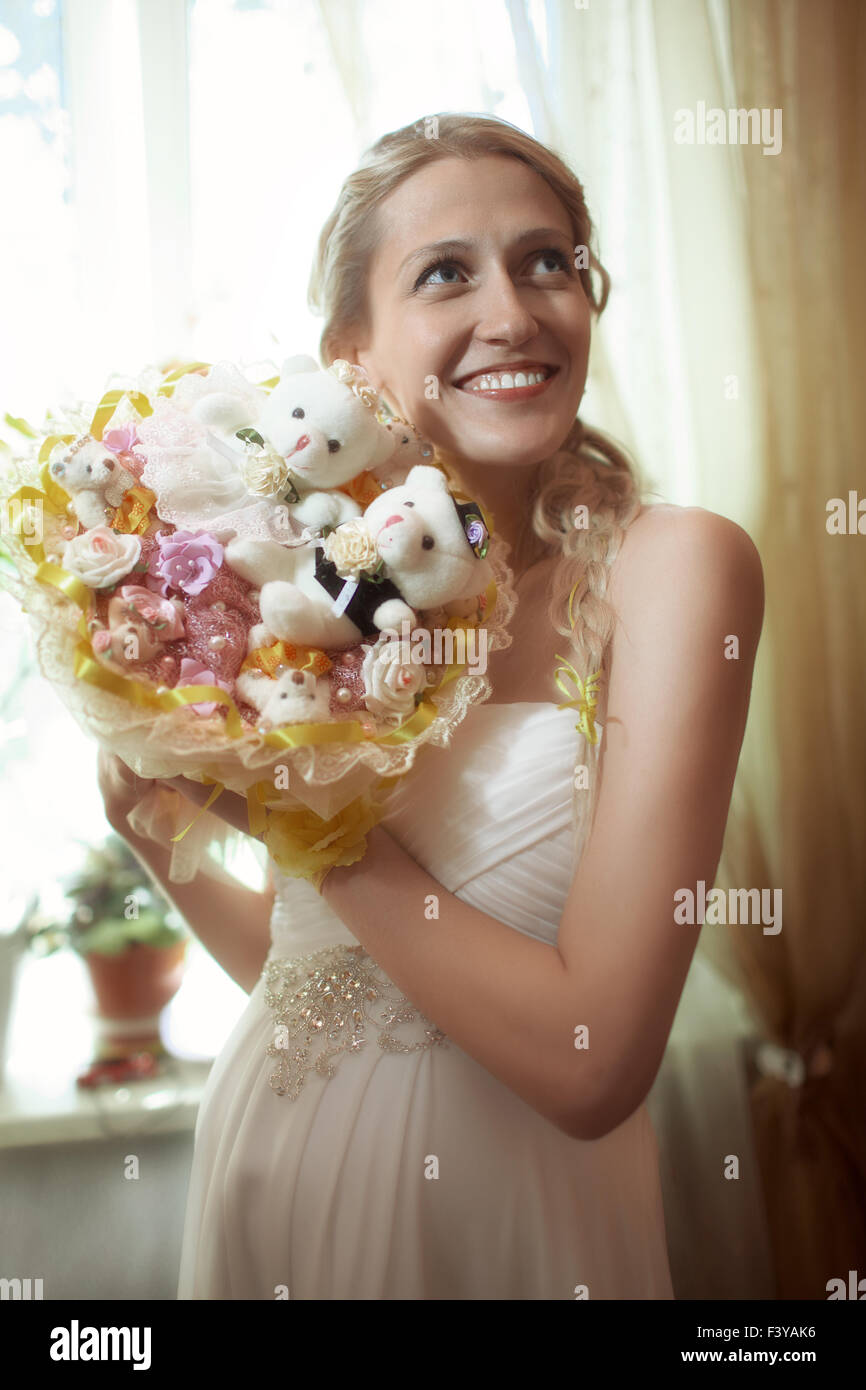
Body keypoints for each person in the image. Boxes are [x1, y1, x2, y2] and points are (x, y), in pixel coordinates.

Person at [99, 113, 763, 1300]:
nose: (511, 311)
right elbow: (319, 977)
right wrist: (156, 824)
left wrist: (302, 830)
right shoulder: (316, 596)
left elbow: (591, 1063)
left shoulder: (675, 571)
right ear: (348, 352)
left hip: (510, 1225)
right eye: (445, 272)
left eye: (545, 260)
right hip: (267, 1172)